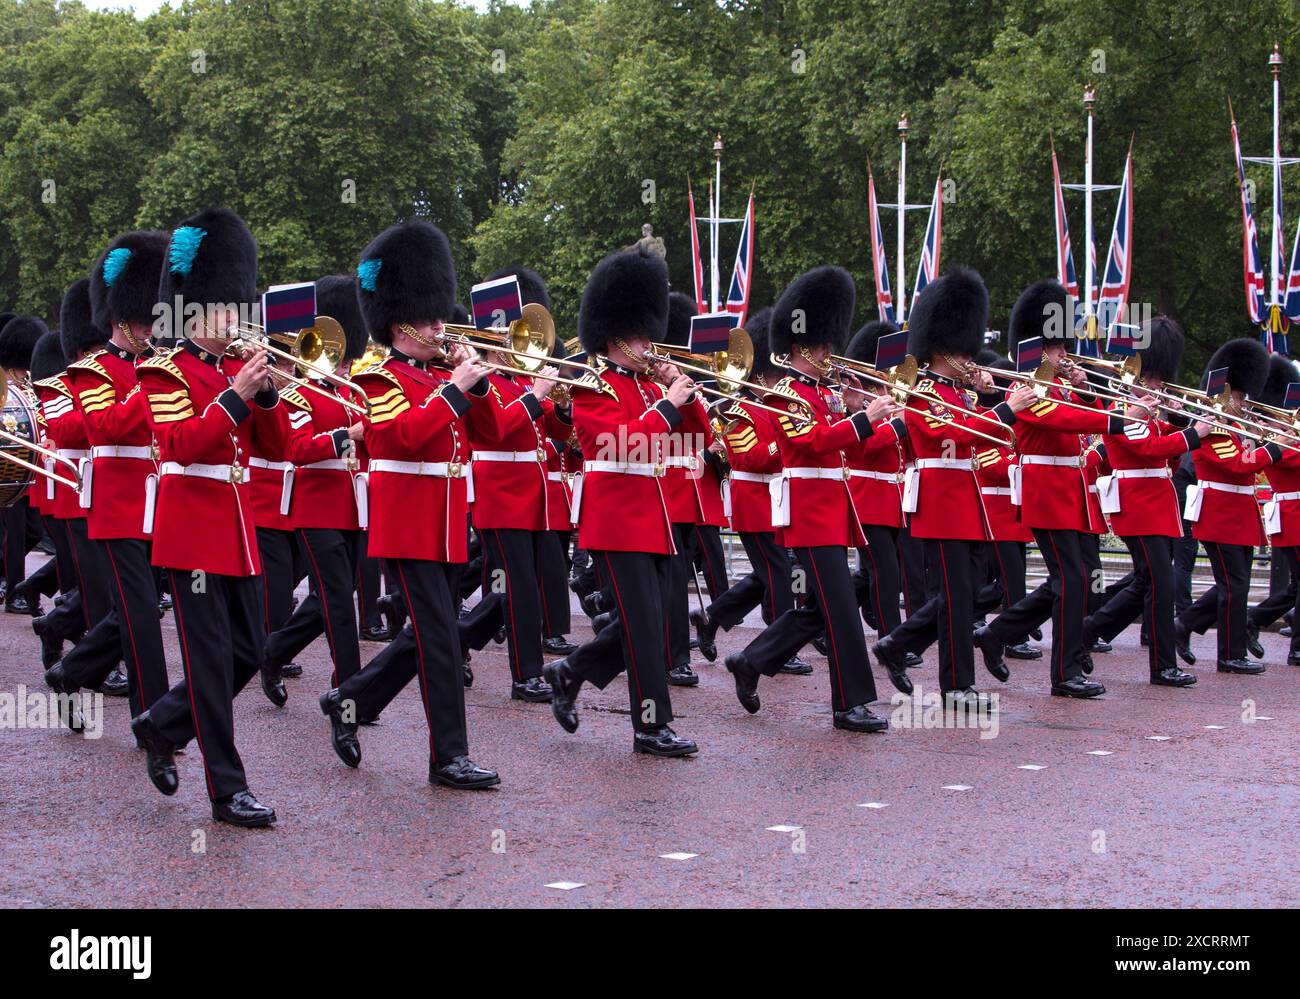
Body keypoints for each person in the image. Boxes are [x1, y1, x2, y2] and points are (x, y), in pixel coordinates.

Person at [129, 207, 300, 827]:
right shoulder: (162, 369)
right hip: (191, 532)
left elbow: (277, 449)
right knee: (207, 663)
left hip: (237, 530)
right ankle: (227, 790)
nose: (236, 318)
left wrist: (268, 395)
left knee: (249, 654)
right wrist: (235, 398)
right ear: (194, 310)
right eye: (226, 308)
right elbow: (179, 446)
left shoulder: (236, 371)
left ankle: (161, 723)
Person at [319, 219, 502, 789]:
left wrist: (477, 384)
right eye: (429, 319)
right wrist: (453, 391)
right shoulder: (379, 379)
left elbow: (492, 433)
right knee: (442, 640)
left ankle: (348, 702)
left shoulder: (440, 374)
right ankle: (448, 756)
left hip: (445, 520)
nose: (439, 325)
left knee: (425, 635)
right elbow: (398, 438)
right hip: (407, 520)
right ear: (401, 325)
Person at [722, 266, 900, 731]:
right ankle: (849, 703)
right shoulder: (784, 395)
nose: (829, 353)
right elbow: (812, 443)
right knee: (839, 608)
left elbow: (848, 445)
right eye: (822, 346)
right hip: (807, 507)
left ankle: (752, 660)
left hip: (833, 507)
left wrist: (875, 417)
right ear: (801, 348)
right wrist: (863, 420)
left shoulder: (826, 393)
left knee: (820, 608)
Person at [542, 244, 700, 755]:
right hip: (614, 519)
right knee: (645, 628)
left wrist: (684, 396)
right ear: (614, 338)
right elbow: (620, 444)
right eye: (638, 336)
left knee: (646, 623)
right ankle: (651, 727)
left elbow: (696, 443)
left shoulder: (651, 388)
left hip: (652, 517)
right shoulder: (592, 388)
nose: (649, 344)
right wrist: (669, 406)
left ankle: (569, 672)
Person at [870, 268, 1034, 705]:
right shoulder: (923, 393)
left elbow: (980, 432)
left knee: (963, 596)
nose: (972, 357)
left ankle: (898, 643)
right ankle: (957, 685)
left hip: (969, 502)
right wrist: (1003, 410)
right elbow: (951, 436)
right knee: (958, 598)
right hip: (941, 502)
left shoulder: (959, 393)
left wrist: (985, 400)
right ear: (947, 347)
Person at [974, 279, 1130, 698]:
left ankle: (999, 635)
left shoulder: (1060, 383)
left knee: (1067, 581)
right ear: (1042, 348)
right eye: (1059, 348)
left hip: (1070, 490)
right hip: (1046, 490)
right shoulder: (1025, 386)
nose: (1065, 353)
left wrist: (1087, 386)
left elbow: (1086, 412)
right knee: (1072, 579)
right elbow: (1059, 420)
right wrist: (1111, 421)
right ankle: (1064, 672)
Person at [48, 231, 174, 722]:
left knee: (135, 612)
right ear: (123, 317)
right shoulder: (94, 371)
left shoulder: (162, 366)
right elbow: (104, 427)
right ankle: (156, 715)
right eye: (147, 317)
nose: (154, 326)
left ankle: (70, 673)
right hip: (117, 503)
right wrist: (150, 390)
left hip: (160, 502)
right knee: (141, 613)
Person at [1081, 317, 1208, 686]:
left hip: (1157, 503)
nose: (1156, 383)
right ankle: (1162, 665)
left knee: (1146, 581)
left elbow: (1162, 439)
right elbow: (1146, 447)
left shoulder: (1146, 407)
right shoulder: (1124, 406)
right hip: (1138, 504)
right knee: (1160, 581)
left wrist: (1185, 421)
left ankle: (1089, 631)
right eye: (1151, 377)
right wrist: (1193, 436)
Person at [260, 274, 368, 698]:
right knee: (339, 603)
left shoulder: (353, 395)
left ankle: (272, 650)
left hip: (351, 506)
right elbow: (297, 447)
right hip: (314, 506)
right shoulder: (298, 395)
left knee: (331, 598)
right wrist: (348, 435)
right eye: (334, 353)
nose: (341, 362)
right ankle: (350, 689)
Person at [690, 308, 806, 672]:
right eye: (773, 376)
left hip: (775, 501)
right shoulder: (739, 411)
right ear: (759, 375)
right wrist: (786, 447)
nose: (778, 382)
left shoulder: (775, 406)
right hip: (754, 502)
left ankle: (711, 618)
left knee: (767, 574)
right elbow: (751, 458)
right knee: (778, 573)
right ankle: (780, 647)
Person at [1175, 338, 1282, 675]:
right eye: (1236, 396)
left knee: (1234, 584)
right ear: (1222, 394)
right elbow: (1238, 466)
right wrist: (1275, 448)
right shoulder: (1212, 430)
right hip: (1220, 514)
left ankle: (1184, 625)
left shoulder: (1233, 428)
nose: (1241, 402)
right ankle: (1230, 655)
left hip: (1236, 515)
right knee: (1234, 587)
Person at [1248, 352, 1300, 666]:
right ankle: (1297, 648)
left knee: (1296, 584)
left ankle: (1252, 620)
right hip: (1292, 516)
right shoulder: (1275, 440)